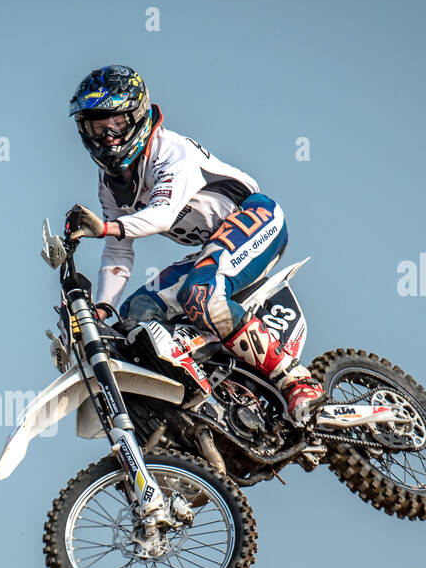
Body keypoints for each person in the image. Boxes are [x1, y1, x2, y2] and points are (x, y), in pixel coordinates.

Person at [63, 64, 324, 424]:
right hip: (211, 249)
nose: (107, 135)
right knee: (136, 314)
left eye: (115, 123)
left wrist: (106, 226)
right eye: (96, 126)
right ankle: (212, 394)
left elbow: (163, 214)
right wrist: (104, 308)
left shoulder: (170, 151)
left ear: (136, 116)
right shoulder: (110, 182)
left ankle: (297, 381)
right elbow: (119, 252)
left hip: (255, 218)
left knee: (200, 293)